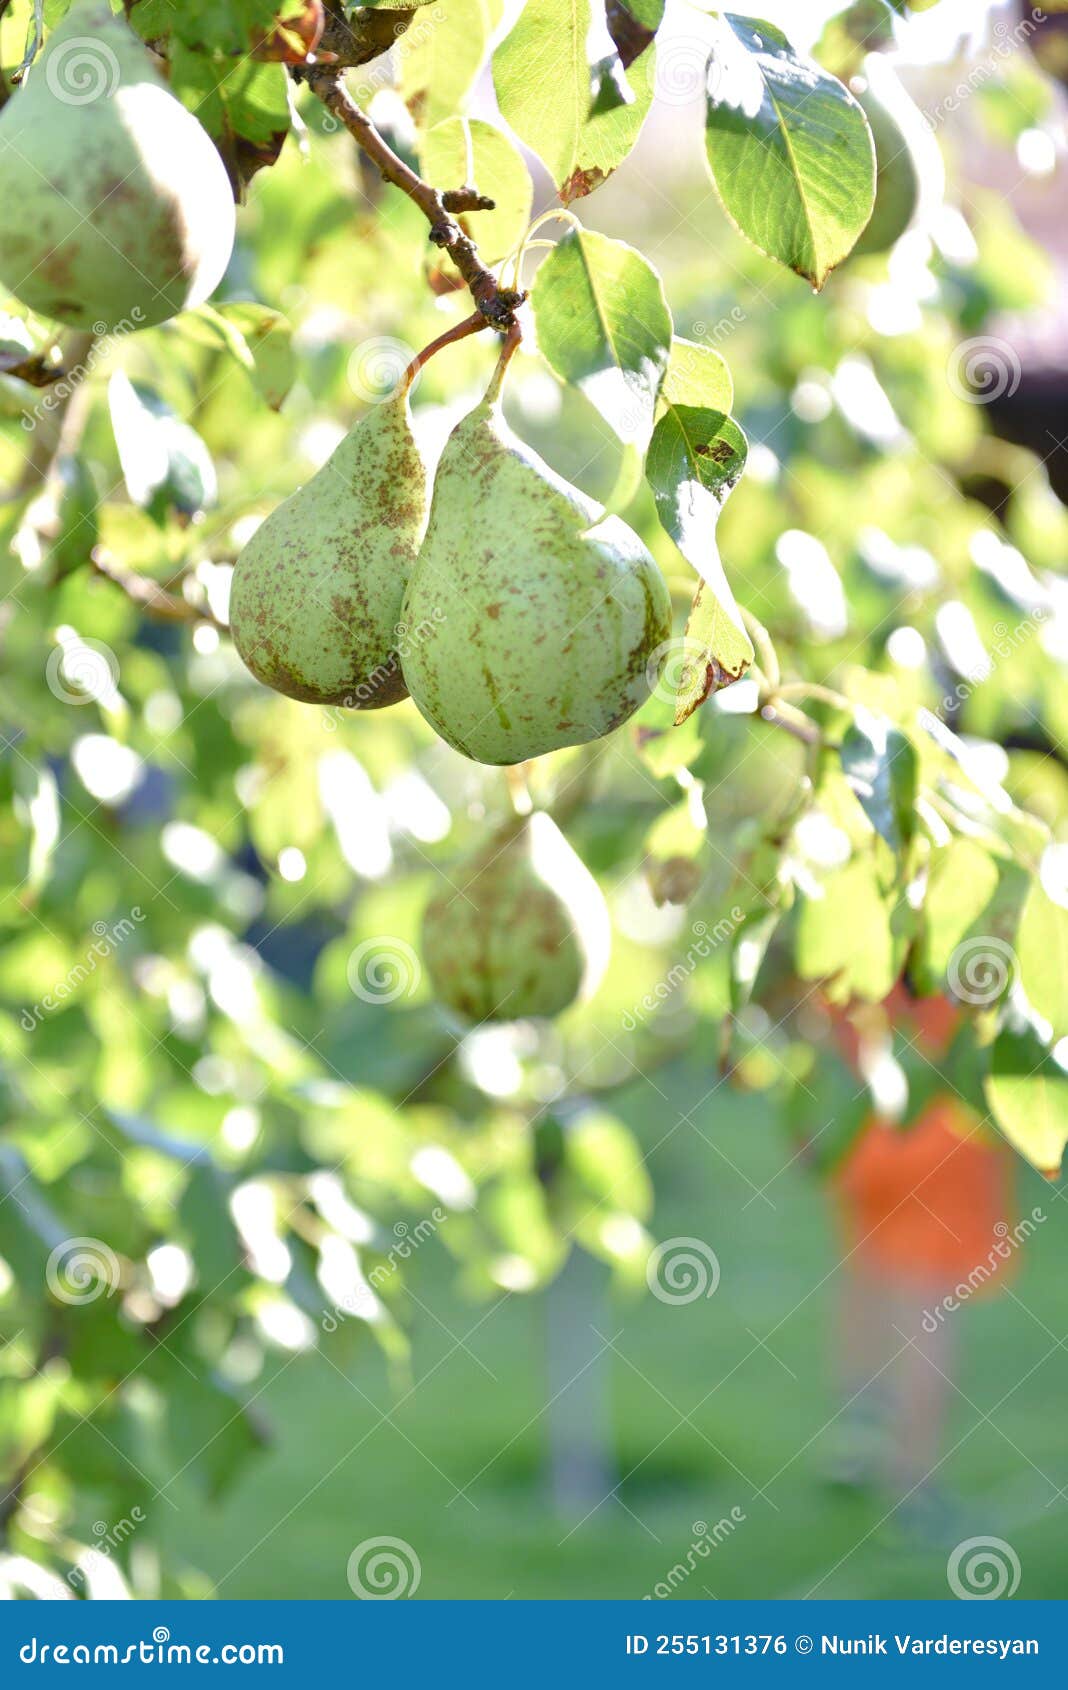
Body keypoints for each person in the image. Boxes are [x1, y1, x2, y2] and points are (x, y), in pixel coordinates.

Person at [822, 987, 1016, 1529]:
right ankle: (914, 1480)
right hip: (941, 1131)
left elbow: (824, 1017)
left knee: (868, 1274)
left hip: (867, 1126)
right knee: (927, 1306)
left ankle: (856, 1441)